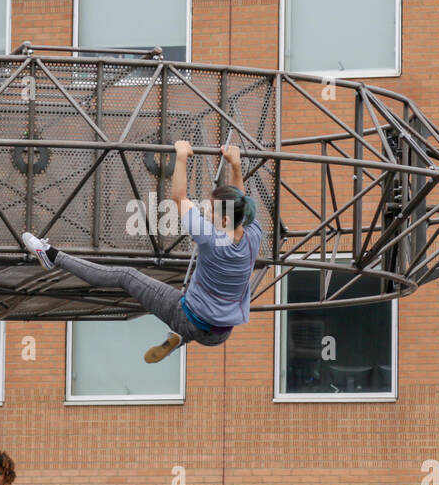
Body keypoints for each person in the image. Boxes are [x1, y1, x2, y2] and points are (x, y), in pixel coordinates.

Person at [22, 140, 264, 363]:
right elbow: (239, 202)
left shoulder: (209, 238)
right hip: (221, 334)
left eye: (210, 211)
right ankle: (180, 337)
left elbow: (179, 198)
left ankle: (51, 255)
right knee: (202, 314)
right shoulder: (253, 236)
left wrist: (181, 156)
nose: (206, 213)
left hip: (189, 318)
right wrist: (236, 165)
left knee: (125, 276)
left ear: (223, 219)